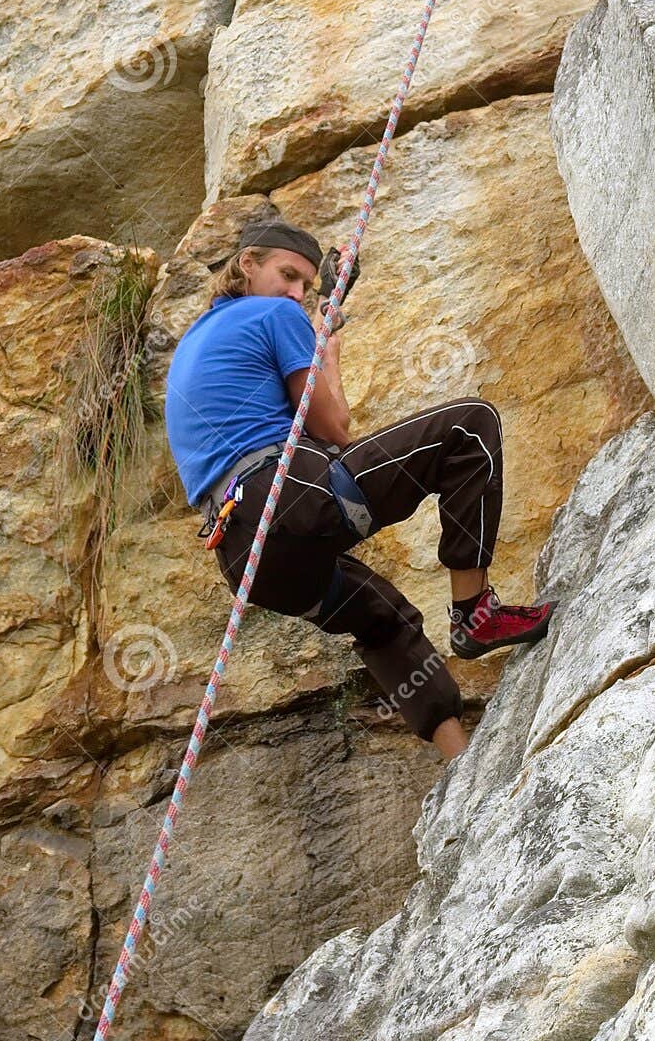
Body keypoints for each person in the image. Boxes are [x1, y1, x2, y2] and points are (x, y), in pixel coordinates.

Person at [163, 217, 555, 761]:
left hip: (247, 557)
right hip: (289, 497)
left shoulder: (193, 343)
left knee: (382, 619)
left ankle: (460, 764)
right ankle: (475, 613)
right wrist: (329, 357)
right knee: (470, 429)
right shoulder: (275, 315)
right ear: (246, 264)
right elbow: (334, 428)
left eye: (306, 285)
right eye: (288, 275)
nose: (296, 293)